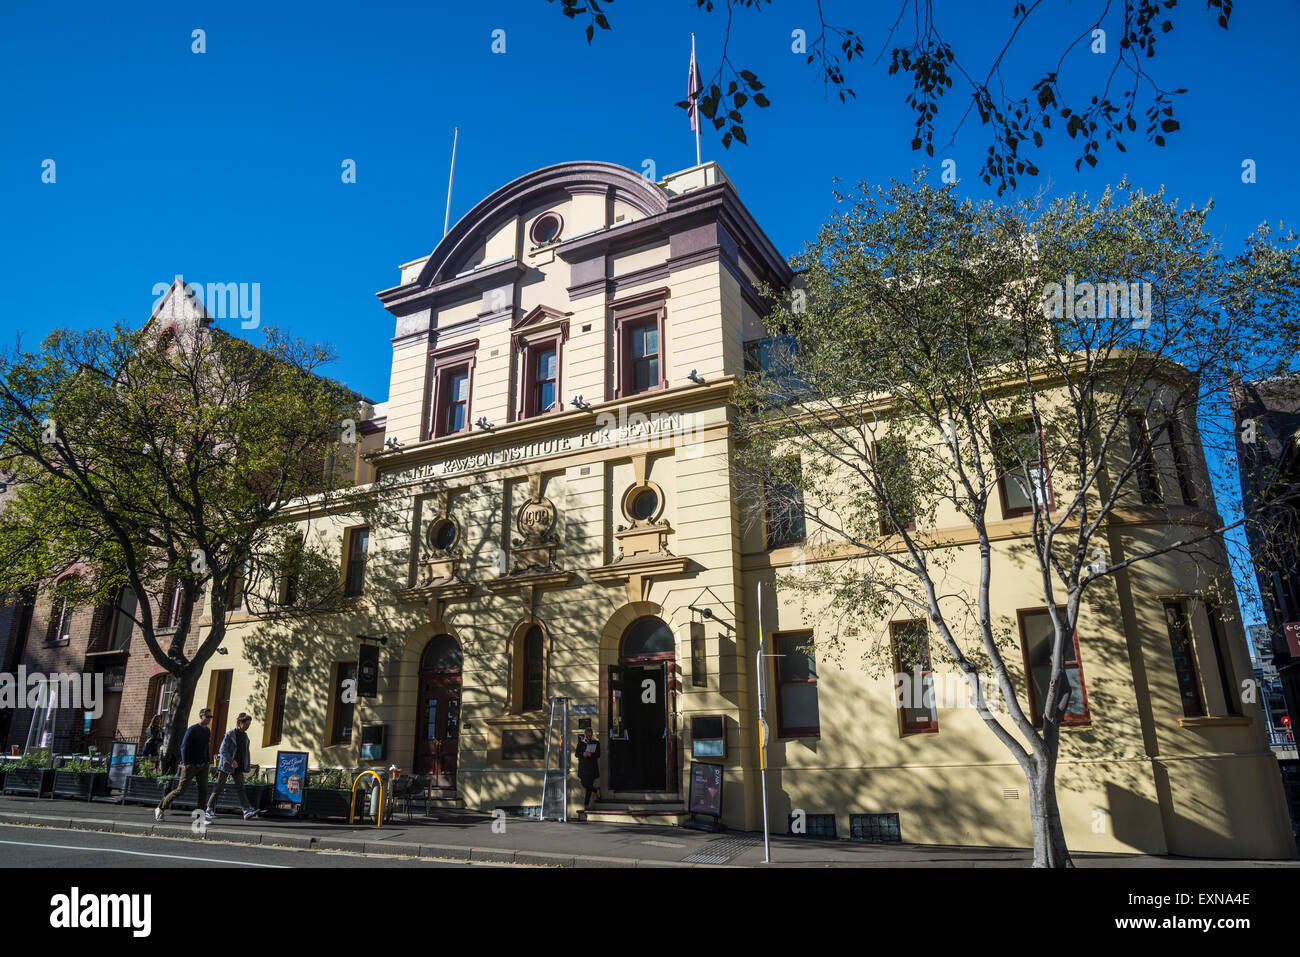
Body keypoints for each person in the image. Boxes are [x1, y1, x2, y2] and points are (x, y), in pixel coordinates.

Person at [155, 708, 212, 821]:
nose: (209, 719)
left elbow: (206, 747)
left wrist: (207, 761)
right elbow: (184, 746)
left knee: (203, 791)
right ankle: (160, 808)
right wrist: (186, 762)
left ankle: (200, 816)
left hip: (203, 764)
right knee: (181, 790)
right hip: (191, 765)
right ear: (201, 716)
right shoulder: (192, 730)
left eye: (210, 717)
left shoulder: (207, 731)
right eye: (207, 716)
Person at [205, 713, 258, 820]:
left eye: (249, 724)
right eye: (246, 724)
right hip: (227, 765)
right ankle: (209, 809)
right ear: (240, 723)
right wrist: (231, 761)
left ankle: (246, 810)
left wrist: (245, 764)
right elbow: (222, 750)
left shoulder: (245, 736)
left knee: (241, 788)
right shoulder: (230, 734)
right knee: (219, 787)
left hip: (238, 766)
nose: (248, 726)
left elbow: (245, 752)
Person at [575, 727, 601, 808]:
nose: (589, 738)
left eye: (590, 736)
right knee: (584, 784)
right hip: (583, 767)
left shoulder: (596, 743)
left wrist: (591, 755)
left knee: (589, 787)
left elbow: (598, 754)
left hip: (592, 767)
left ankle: (586, 805)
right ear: (585, 735)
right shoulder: (580, 743)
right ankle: (596, 790)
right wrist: (583, 754)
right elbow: (576, 754)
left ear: (592, 735)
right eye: (587, 736)